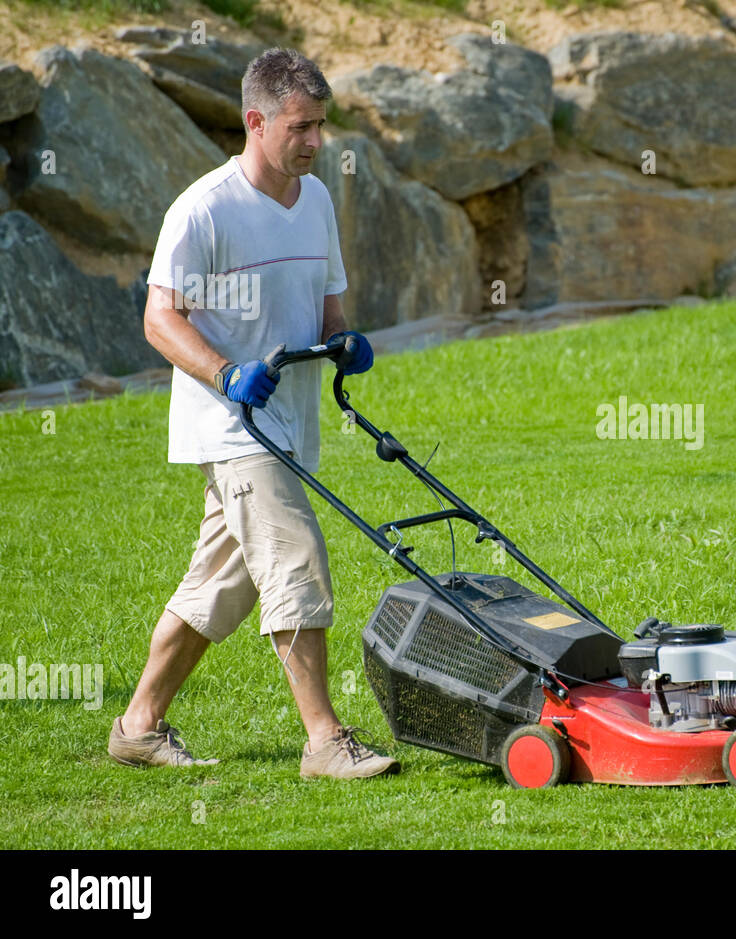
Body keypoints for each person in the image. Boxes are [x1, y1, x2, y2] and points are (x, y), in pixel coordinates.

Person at [108, 48, 399, 780]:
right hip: (231, 425)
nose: (314, 141)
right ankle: (325, 741)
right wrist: (225, 372)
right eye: (300, 127)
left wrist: (345, 344)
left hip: (291, 422)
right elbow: (159, 318)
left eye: (320, 127)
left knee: (220, 584)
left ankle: (137, 724)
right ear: (256, 120)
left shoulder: (318, 203)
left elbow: (327, 309)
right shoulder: (205, 208)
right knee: (295, 557)